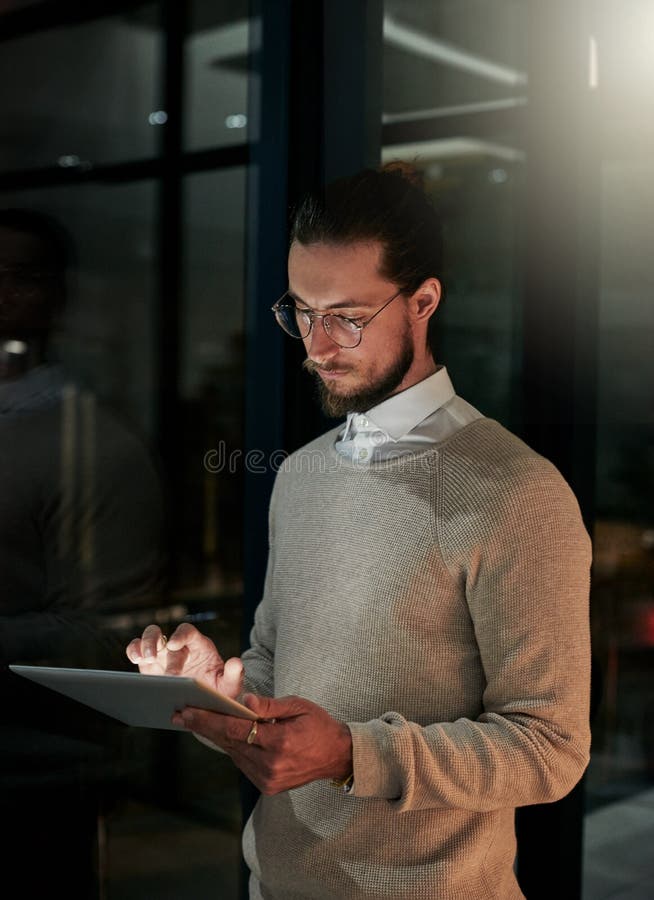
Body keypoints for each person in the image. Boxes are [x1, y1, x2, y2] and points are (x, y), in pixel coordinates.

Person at [126, 163, 592, 900]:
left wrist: (352, 754)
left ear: (423, 301)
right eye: (302, 311)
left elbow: (550, 748)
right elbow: (277, 668)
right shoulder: (302, 473)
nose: (317, 346)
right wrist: (220, 692)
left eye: (347, 316)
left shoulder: (516, 493)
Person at [0, 207, 167, 898]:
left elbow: (109, 635)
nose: (2, 292)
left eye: (21, 276)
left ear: (56, 296)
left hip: (31, 788)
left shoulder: (92, 445)